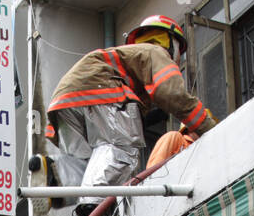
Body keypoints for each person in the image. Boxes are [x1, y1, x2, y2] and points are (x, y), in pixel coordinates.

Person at [44, 15, 216, 200]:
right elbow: (171, 93)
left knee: (91, 162)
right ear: (170, 44)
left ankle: (55, 173)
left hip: (64, 101)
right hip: (99, 90)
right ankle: (94, 204)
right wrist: (211, 129)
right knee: (122, 148)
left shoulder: (130, 60)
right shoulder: (156, 52)